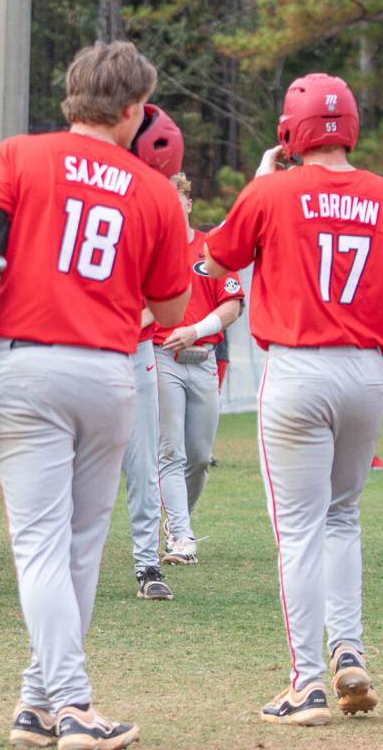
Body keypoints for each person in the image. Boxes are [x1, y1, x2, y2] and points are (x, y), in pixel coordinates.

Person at [0, 42, 190, 748]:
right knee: (78, 548)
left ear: (71, 97)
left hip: (24, 364)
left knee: (44, 546)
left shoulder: (19, 156)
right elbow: (171, 313)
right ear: (135, 111)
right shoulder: (153, 189)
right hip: (108, 369)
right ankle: (63, 705)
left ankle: (43, 704)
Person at [202, 73, 383, 724]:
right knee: (342, 518)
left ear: (292, 132)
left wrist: (259, 182)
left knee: (301, 531)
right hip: (367, 372)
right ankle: (349, 650)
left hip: (297, 370)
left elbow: (213, 262)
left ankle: (307, 683)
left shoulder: (272, 191)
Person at [154, 173, 242, 565]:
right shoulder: (151, 251)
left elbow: (232, 305)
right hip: (162, 358)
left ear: (188, 204)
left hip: (203, 359)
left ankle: (178, 519)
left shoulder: (211, 248)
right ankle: (181, 535)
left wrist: (195, 330)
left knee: (200, 456)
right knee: (170, 450)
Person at [121, 103, 187, 601]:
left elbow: (164, 307)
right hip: (85, 351)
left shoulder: (156, 214)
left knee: (142, 463)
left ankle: (147, 564)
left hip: (133, 351)